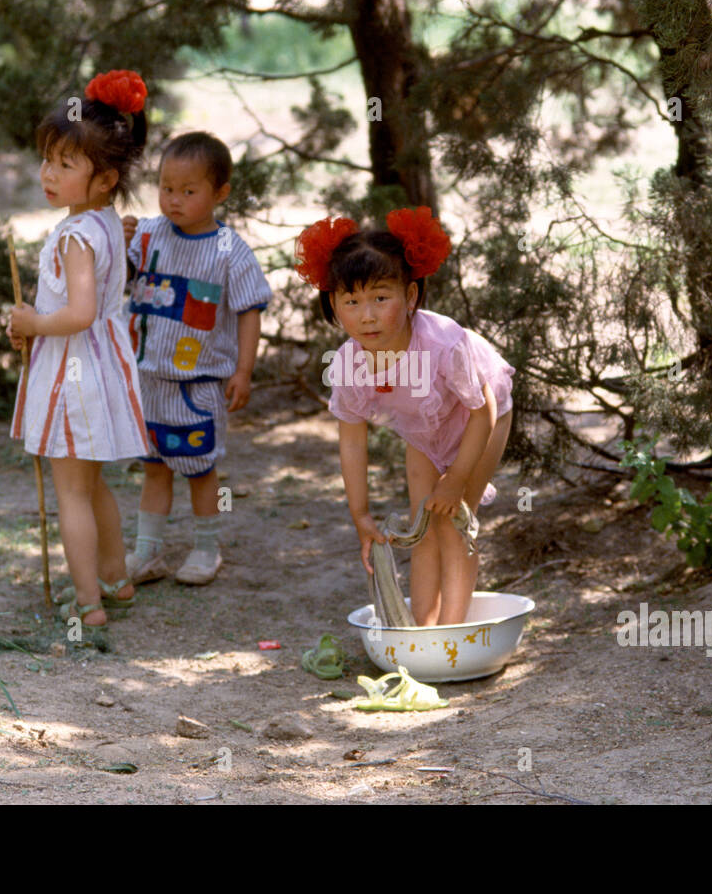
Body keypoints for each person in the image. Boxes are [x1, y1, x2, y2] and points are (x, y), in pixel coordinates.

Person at [296, 208, 514, 626]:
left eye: (381, 297)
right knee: (423, 528)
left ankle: (450, 633)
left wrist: (455, 479)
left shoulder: (441, 343)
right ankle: (422, 627)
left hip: (481, 419)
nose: (367, 315)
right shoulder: (348, 364)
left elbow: (482, 408)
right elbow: (352, 441)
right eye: (352, 301)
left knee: (453, 524)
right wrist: (360, 516)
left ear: (411, 297)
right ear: (333, 304)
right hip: (424, 430)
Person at [7, 69, 150, 628]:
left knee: (71, 492)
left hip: (74, 371)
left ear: (104, 178)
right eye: (48, 159)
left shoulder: (73, 237)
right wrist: (36, 323)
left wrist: (34, 322)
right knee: (92, 483)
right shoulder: (106, 222)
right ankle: (116, 578)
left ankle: (88, 603)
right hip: (102, 366)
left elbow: (80, 313)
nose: (49, 173)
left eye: (67, 165)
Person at [120, 131, 272, 586]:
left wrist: (244, 371)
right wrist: (118, 241)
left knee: (200, 468)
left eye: (189, 191)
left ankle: (207, 548)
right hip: (147, 379)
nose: (174, 200)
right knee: (154, 467)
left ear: (219, 193)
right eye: (167, 188)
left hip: (197, 385)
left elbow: (249, 311)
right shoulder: (147, 234)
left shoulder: (230, 251)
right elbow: (119, 279)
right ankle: (147, 552)